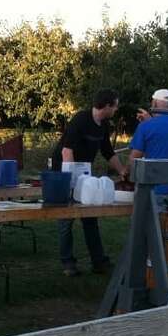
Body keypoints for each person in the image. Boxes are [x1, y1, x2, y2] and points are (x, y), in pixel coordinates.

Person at [51, 88, 129, 276]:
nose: (116, 110)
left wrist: (122, 171)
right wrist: (70, 180)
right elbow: (66, 151)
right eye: (115, 106)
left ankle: (98, 261)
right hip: (64, 170)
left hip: (84, 174)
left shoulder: (103, 126)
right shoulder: (81, 119)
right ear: (107, 106)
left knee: (90, 216)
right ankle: (68, 263)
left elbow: (108, 152)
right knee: (66, 218)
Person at [130, 88, 168, 212]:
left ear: (155, 104)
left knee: (152, 228)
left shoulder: (146, 126)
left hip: (155, 188)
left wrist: (125, 171)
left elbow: (134, 158)